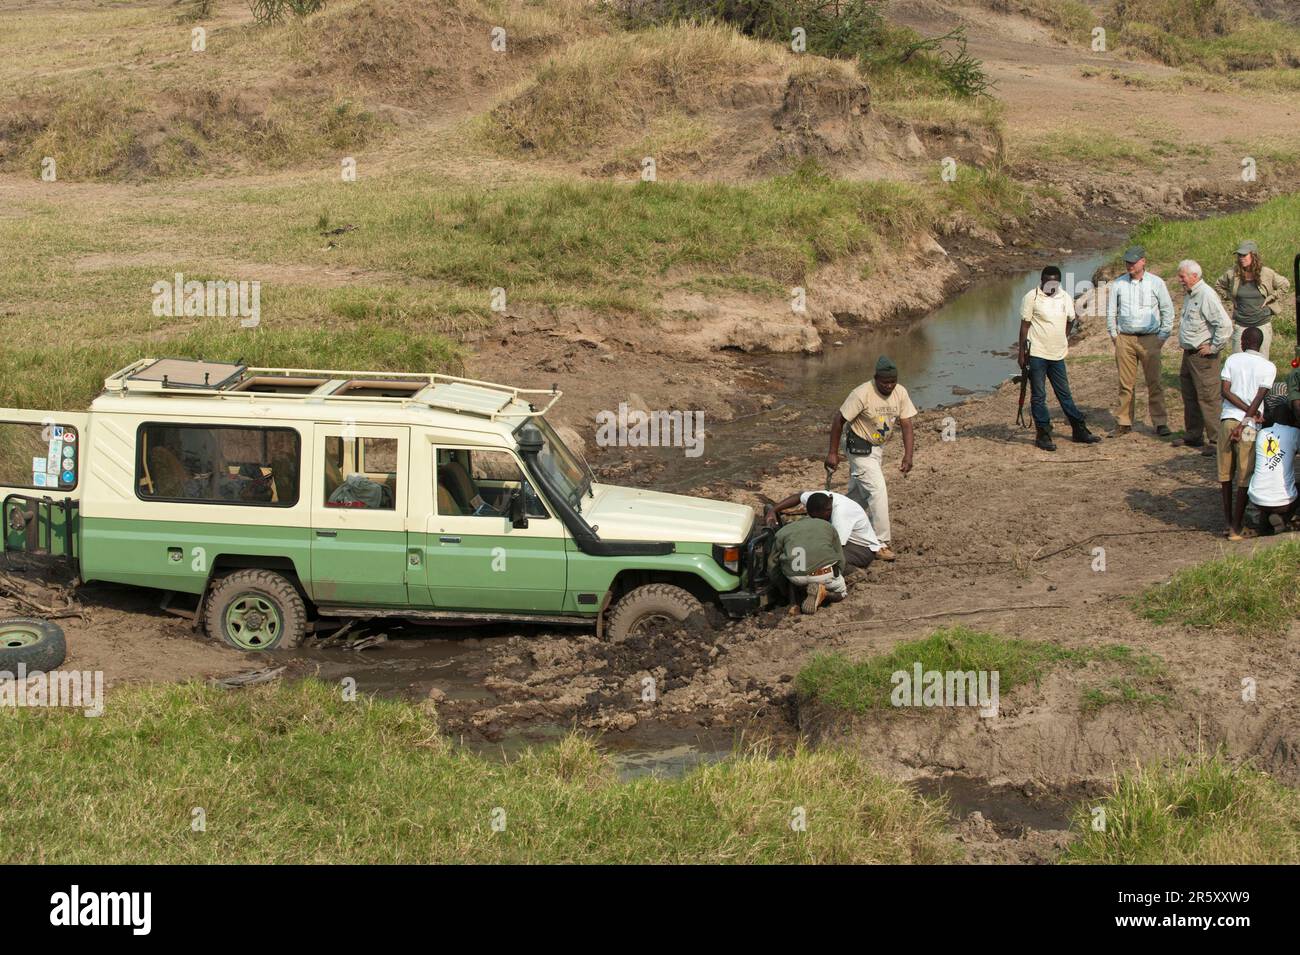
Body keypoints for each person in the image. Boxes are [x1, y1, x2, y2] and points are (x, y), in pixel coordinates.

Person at [825, 355, 915, 561]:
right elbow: (839, 420)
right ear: (876, 378)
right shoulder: (862, 393)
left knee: (858, 496)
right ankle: (880, 543)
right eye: (885, 382)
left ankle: (830, 519)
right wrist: (832, 453)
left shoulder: (900, 392)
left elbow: (907, 425)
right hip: (859, 450)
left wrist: (908, 455)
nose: (889, 386)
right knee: (877, 491)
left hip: (877, 449)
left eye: (893, 382)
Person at [1017, 265, 1101, 451]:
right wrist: (1021, 354)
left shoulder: (1065, 297)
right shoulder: (1031, 297)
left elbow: (1071, 319)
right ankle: (1043, 434)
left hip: (1057, 355)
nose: (1050, 286)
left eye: (1054, 283)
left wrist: (1064, 337)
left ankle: (1079, 430)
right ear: (1042, 280)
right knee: (1039, 396)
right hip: (1037, 354)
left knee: (1065, 395)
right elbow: (1024, 326)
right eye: (1047, 282)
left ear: (1059, 282)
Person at [1107, 245, 1174, 436]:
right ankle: (1123, 422)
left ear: (1143, 261)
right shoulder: (1118, 284)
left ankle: (1160, 422)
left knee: (1154, 381)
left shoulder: (1156, 283)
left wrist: (1162, 336)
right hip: (1125, 338)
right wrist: (1114, 335)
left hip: (1150, 338)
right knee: (1125, 383)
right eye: (1127, 261)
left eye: (1133, 262)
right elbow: (1111, 311)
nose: (1129, 265)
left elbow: (1167, 310)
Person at [1219, 326, 1276, 540]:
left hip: (1226, 422)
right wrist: (1246, 421)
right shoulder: (1268, 366)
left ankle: (1227, 522)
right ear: (1260, 344)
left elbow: (1224, 391)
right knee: (1244, 476)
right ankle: (1236, 527)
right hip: (1250, 428)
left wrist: (1239, 421)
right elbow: (1258, 399)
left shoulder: (1232, 360)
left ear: (1243, 341)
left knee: (1225, 474)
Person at [1171, 259, 1232, 453]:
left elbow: (1224, 324)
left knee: (1208, 397)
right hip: (1189, 354)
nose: (1180, 280)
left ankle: (1216, 440)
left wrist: (1213, 347)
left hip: (1203, 356)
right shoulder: (1191, 294)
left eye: (1182, 276)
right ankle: (1193, 434)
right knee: (1189, 395)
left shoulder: (1206, 295)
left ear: (1194, 276)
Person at [763, 488, 882, 573]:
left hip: (861, 548)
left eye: (817, 518)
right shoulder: (821, 497)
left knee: (821, 560)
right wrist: (773, 510)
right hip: (843, 539)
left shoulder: (841, 515)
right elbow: (799, 497)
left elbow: (834, 546)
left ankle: (853, 572)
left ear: (827, 511)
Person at [766, 493, 846, 615]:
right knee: (841, 593)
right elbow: (840, 557)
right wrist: (837, 572)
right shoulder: (828, 527)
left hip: (797, 577)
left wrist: (783, 590)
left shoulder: (784, 531)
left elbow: (772, 565)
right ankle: (824, 593)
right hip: (823, 574)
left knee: (788, 569)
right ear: (826, 511)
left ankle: (793, 603)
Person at [1214, 240, 1291, 359]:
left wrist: (1271, 298)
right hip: (1241, 324)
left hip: (1262, 324)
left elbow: (1285, 284)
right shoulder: (1232, 274)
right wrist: (1230, 298)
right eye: (1239, 255)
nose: (1241, 258)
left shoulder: (1266, 273)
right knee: (1238, 360)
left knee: (1261, 361)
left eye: (1244, 255)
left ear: (1253, 255)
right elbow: (1218, 285)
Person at [1246, 398, 1298, 535]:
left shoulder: (1263, 433)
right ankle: (1283, 519)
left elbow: (1246, 436)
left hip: (1256, 498)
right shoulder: (1294, 433)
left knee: (1267, 486)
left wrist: (1249, 420)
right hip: (1283, 503)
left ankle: (1264, 526)